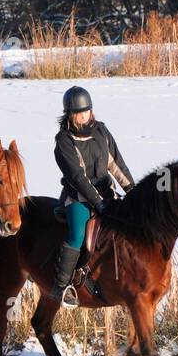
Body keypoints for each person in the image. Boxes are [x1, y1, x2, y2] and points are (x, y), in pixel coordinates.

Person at [50, 86, 134, 306]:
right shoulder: (64, 141)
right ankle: (62, 287)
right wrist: (98, 203)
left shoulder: (101, 132)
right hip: (78, 197)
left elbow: (116, 164)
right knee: (77, 235)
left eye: (85, 111)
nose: (82, 116)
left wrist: (132, 191)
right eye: (78, 112)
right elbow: (77, 177)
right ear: (69, 114)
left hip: (106, 194)